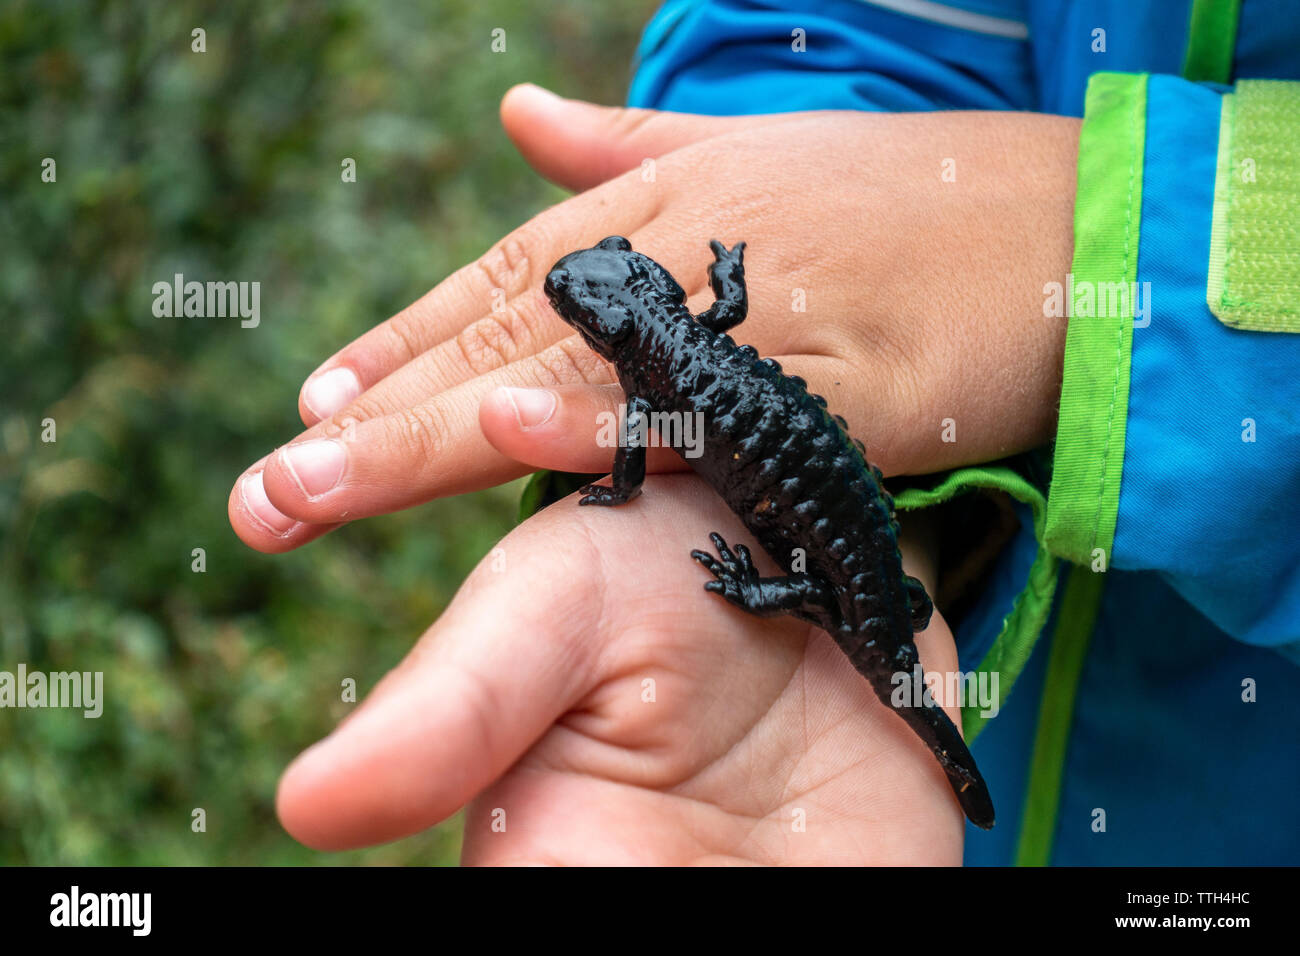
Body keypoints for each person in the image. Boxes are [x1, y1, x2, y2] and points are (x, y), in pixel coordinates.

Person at [228, 0, 1300, 865]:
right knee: (858, 579)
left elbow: (663, 444)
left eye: (584, 298)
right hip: (882, 562)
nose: (578, 294)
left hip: (909, 620)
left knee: (824, 594)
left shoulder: (656, 384)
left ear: (623, 322)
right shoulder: (677, 348)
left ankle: (807, 614)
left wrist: (708, 560)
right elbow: (734, 293)